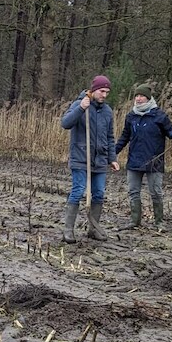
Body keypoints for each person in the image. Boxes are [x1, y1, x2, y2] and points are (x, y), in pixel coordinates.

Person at [114, 83, 172, 229]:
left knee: (156, 192)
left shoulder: (159, 115)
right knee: (133, 191)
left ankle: (159, 222)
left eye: (142, 96)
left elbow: (170, 130)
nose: (138, 99)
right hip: (134, 160)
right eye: (136, 96)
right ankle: (135, 221)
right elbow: (124, 137)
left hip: (154, 161)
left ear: (148, 98)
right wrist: (113, 152)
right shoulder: (131, 116)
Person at [60, 75, 120, 242]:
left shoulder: (107, 111)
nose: (104, 95)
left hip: (99, 160)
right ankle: (68, 230)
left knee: (99, 193)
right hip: (80, 157)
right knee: (78, 191)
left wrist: (112, 158)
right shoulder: (79, 104)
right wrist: (81, 108)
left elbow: (109, 137)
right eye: (102, 91)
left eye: (107, 92)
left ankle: (93, 229)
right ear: (93, 90)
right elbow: (65, 123)